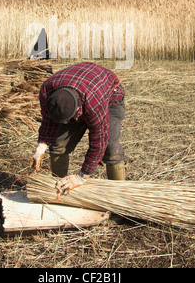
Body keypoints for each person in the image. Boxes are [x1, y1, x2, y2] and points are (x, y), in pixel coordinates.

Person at [30, 62, 128, 195]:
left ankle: (119, 196)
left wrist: (81, 176)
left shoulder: (94, 103)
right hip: (80, 86)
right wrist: (41, 145)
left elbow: (99, 142)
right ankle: (58, 190)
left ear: (77, 110)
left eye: (69, 120)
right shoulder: (47, 91)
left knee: (110, 148)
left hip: (109, 97)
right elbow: (48, 120)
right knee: (58, 144)